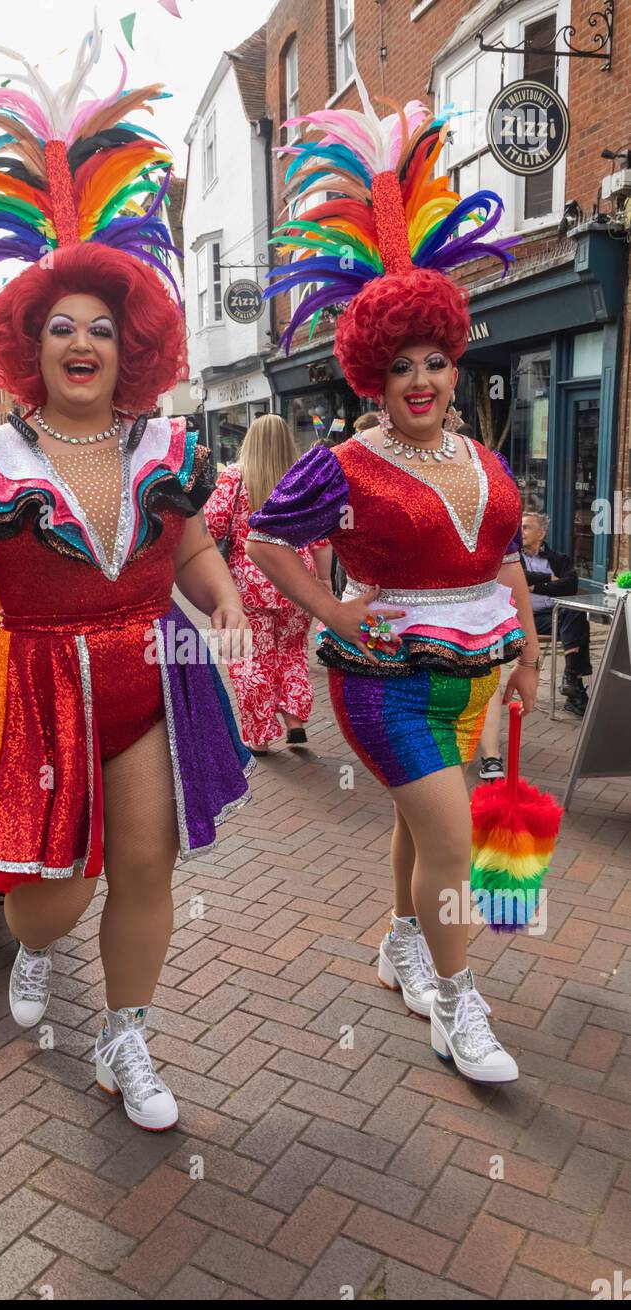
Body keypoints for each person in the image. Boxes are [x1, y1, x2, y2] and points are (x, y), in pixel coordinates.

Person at [0, 29, 254, 1132]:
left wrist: (225, 596)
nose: (80, 343)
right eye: (57, 327)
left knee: (146, 859)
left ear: (129, 347)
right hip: (35, 686)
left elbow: (193, 545)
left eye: (99, 330)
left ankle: (126, 1036)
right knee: (46, 899)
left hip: (145, 672)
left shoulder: (164, 451)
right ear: (28, 345)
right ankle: (34, 951)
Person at [246, 77, 541, 1084]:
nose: (420, 378)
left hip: (477, 672)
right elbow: (264, 536)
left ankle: (401, 944)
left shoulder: (482, 459)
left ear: (455, 366)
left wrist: (531, 644)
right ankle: (459, 1009)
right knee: (453, 838)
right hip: (381, 675)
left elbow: (499, 553)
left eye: (435, 360)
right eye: (399, 365)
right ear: (372, 376)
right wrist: (329, 606)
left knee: (426, 829)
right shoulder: (342, 463)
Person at [204, 413, 332, 754]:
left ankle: (259, 735)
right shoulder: (301, 479)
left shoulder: (233, 478)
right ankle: (295, 720)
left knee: (248, 656)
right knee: (292, 652)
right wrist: (322, 580)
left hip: (248, 582)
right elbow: (322, 537)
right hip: (296, 579)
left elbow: (211, 528)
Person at [521, 510, 591, 716]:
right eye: (519, 527)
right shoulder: (512, 559)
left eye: (526, 527)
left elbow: (570, 585)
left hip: (554, 616)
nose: (520, 532)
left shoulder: (559, 559)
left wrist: (535, 587)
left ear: (541, 533)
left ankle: (571, 677)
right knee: (578, 629)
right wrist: (548, 578)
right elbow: (519, 577)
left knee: (574, 613)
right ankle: (575, 689)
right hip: (525, 619)